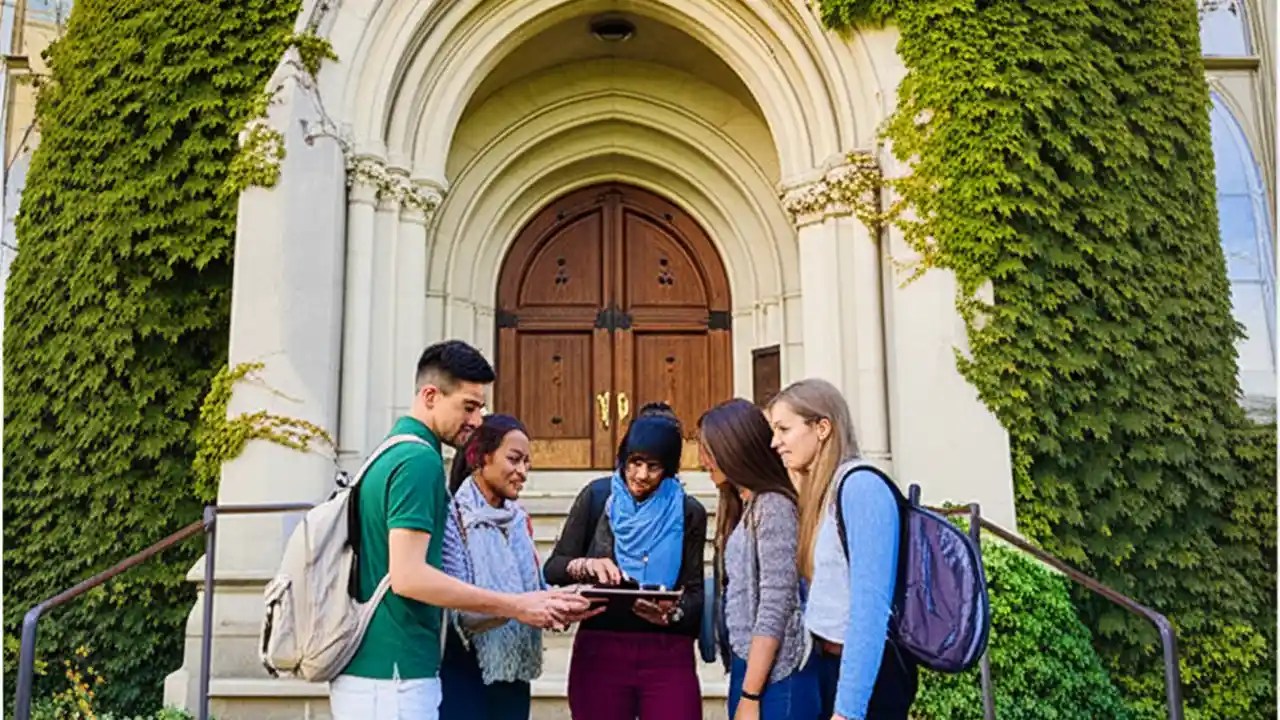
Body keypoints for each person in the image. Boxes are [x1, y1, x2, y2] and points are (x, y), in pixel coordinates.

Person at [331, 340, 595, 720]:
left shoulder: (393, 451)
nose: (475, 421)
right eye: (468, 407)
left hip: (386, 672)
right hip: (394, 674)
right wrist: (518, 605)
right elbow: (409, 577)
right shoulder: (418, 461)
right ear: (431, 395)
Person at [767, 378, 918, 720]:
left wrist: (848, 710)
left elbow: (869, 609)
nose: (775, 442)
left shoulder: (861, 487)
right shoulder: (828, 490)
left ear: (822, 427)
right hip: (830, 667)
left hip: (869, 678)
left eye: (783, 429)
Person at [543, 413, 708, 720]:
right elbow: (553, 569)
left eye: (654, 466)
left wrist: (672, 612)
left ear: (669, 469)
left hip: (667, 649)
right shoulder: (597, 497)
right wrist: (588, 566)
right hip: (601, 646)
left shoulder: (688, 511)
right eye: (634, 462)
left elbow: (695, 594)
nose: (641, 475)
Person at [700, 398, 820, 720]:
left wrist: (750, 694)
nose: (701, 461)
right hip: (751, 667)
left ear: (733, 449)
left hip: (779, 677)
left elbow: (775, 604)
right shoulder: (745, 504)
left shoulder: (773, 507)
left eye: (708, 451)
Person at [438, 413, 551, 719]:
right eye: (514, 460)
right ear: (481, 457)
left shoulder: (518, 519)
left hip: (513, 675)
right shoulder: (452, 517)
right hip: (464, 673)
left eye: (527, 462)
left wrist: (562, 601)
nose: (523, 471)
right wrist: (517, 607)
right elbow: (457, 612)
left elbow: (534, 588)